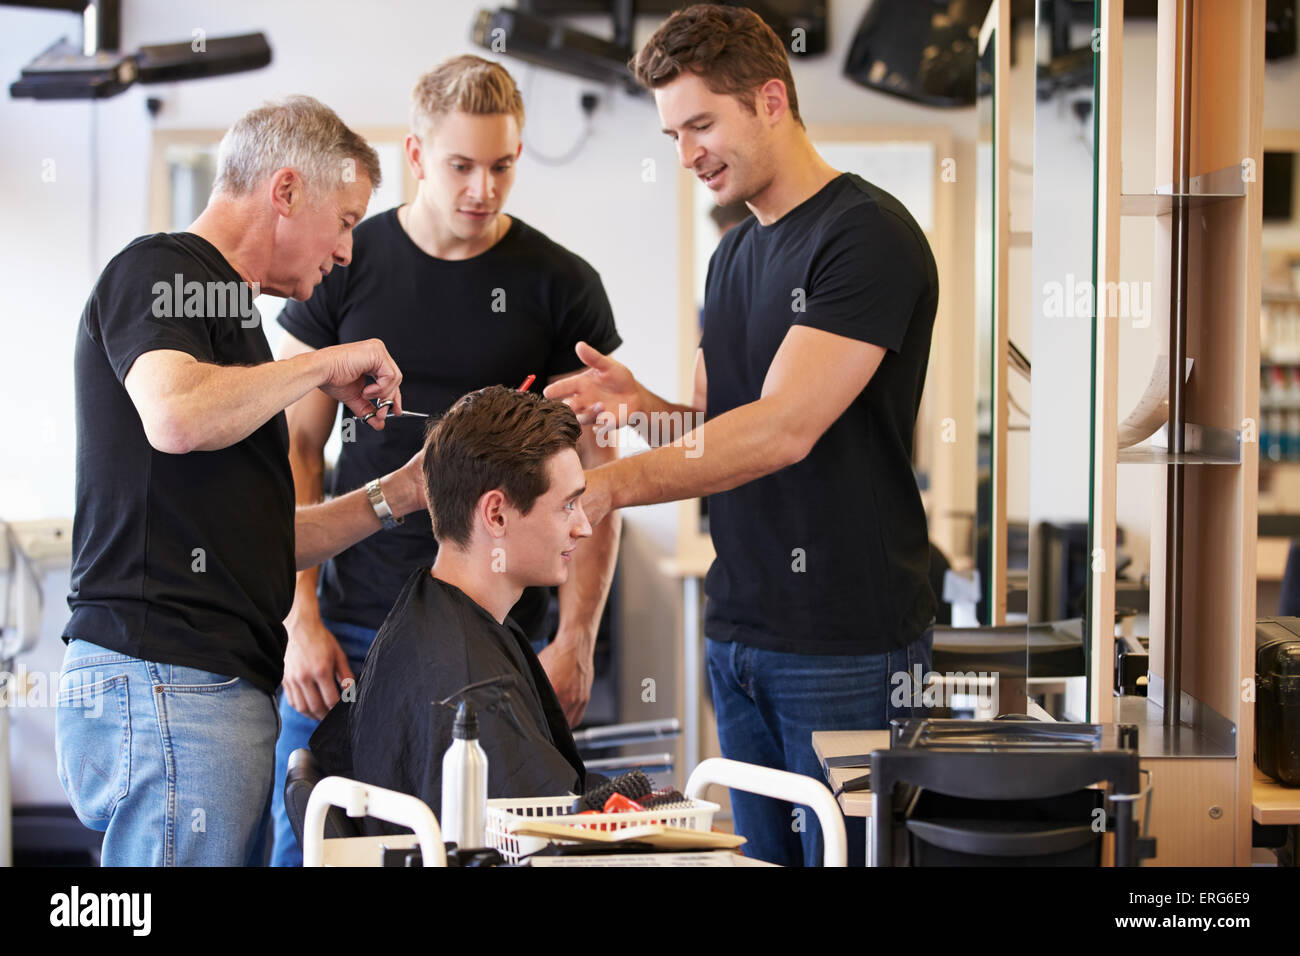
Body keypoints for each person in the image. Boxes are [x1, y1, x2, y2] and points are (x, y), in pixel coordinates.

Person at [545, 4, 938, 867]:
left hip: (847, 642)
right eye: (672, 134)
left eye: (699, 125)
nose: (685, 155)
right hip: (740, 632)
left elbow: (783, 430)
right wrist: (640, 404)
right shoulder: (733, 256)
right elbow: (715, 428)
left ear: (769, 99)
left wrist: (608, 484)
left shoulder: (864, 236)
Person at [56, 95, 429, 867]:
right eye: (349, 219)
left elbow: (259, 539)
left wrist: (405, 489)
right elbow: (176, 416)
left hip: (202, 688)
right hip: (168, 679)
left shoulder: (237, 329)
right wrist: (324, 365)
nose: (349, 252)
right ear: (286, 191)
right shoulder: (157, 268)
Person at [269, 55, 621, 865]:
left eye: (501, 166)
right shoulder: (342, 266)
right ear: (418, 155)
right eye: (461, 165)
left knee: (491, 845)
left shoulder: (563, 286)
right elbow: (296, 450)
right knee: (317, 843)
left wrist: (577, 636)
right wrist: (301, 618)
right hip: (351, 625)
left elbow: (594, 486)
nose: (481, 190)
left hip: (498, 637)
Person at [310, 386, 593, 827]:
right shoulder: (470, 688)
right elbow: (548, 842)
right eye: (568, 505)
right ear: (496, 515)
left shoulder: (430, 612)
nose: (585, 527)